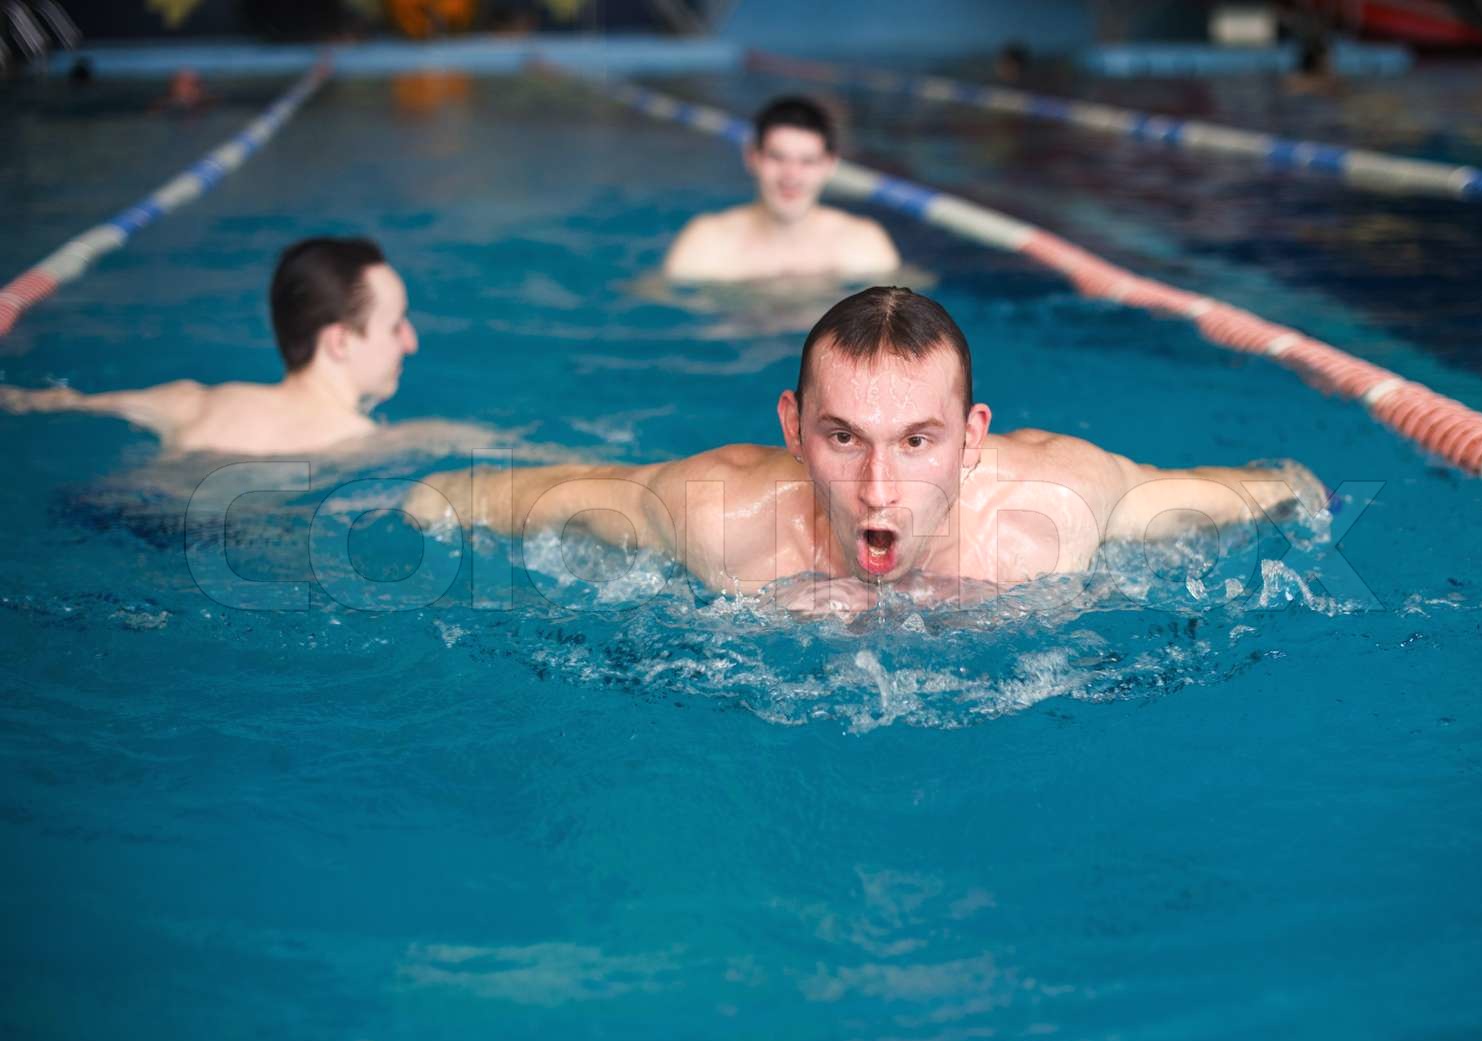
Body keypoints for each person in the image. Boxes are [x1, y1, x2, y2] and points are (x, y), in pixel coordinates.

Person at [408, 287, 1324, 609]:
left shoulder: (1064, 502)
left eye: (917, 440)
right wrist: (421, 506)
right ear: (792, 430)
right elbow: (463, 497)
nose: (878, 487)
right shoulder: (717, 512)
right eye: (842, 436)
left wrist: (1293, 487)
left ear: (973, 438)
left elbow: (1256, 491)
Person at [1, 237, 426, 456]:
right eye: (394, 326)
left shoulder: (193, 400)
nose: (411, 342)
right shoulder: (361, 441)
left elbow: (50, 401)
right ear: (340, 341)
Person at [662, 96, 901, 284]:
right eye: (777, 158)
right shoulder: (707, 242)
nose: (791, 176)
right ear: (752, 157)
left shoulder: (862, 244)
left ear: (829, 166)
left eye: (807, 161)